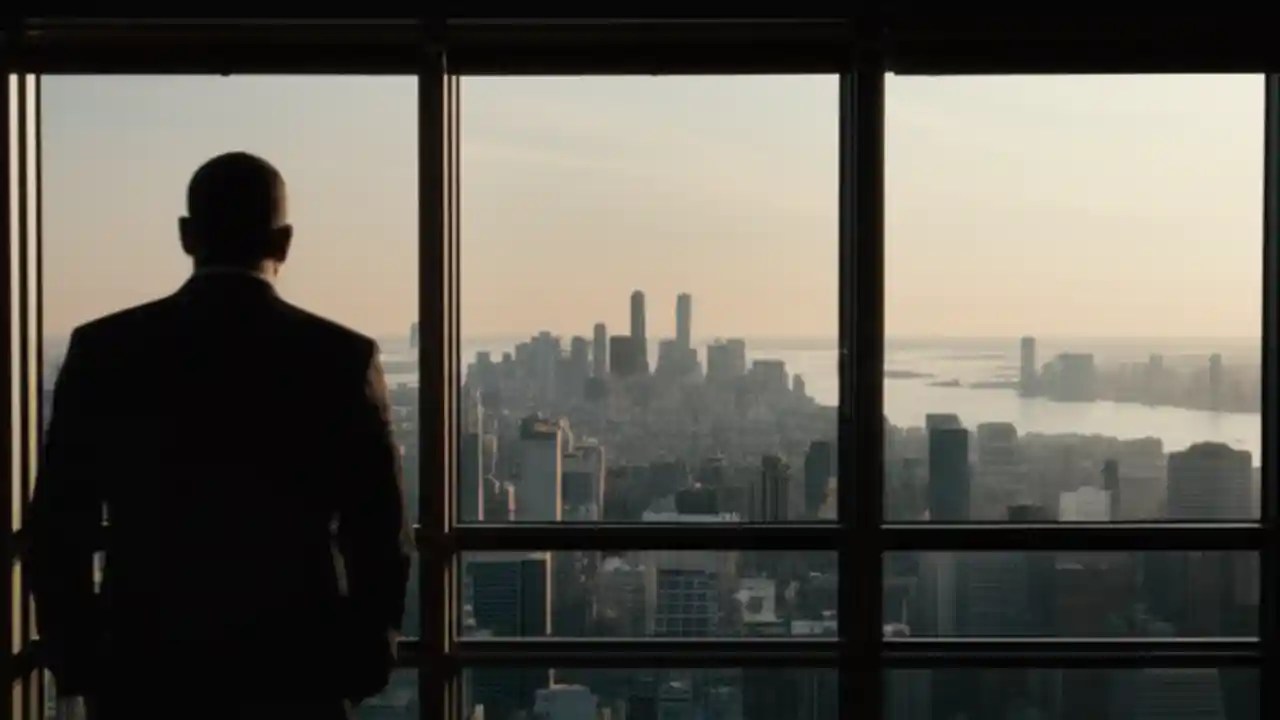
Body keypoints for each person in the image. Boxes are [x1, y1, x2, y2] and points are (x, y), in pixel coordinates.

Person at [27, 152, 412, 719]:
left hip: (145, 667)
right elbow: (378, 530)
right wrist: (362, 660)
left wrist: (80, 658)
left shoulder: (105, 350)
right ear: (283, 243)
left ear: (186, 236)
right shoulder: (339, 358)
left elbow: (60, 523)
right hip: (293, 668)